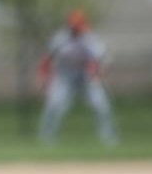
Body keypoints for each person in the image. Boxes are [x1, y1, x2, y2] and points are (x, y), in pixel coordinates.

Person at [39, 8, 118, 145]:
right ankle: (47, 138)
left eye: (80, 25)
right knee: (54, 105)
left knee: (101, 105)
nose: (78, 29)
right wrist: (45, 79)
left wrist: (98, 72)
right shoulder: (60, 39)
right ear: (69, 26)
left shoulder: (90, 38)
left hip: (86, 77)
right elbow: (47, 59)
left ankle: (108, 137)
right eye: (75, 26)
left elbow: (102, 60)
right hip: (65, 77)